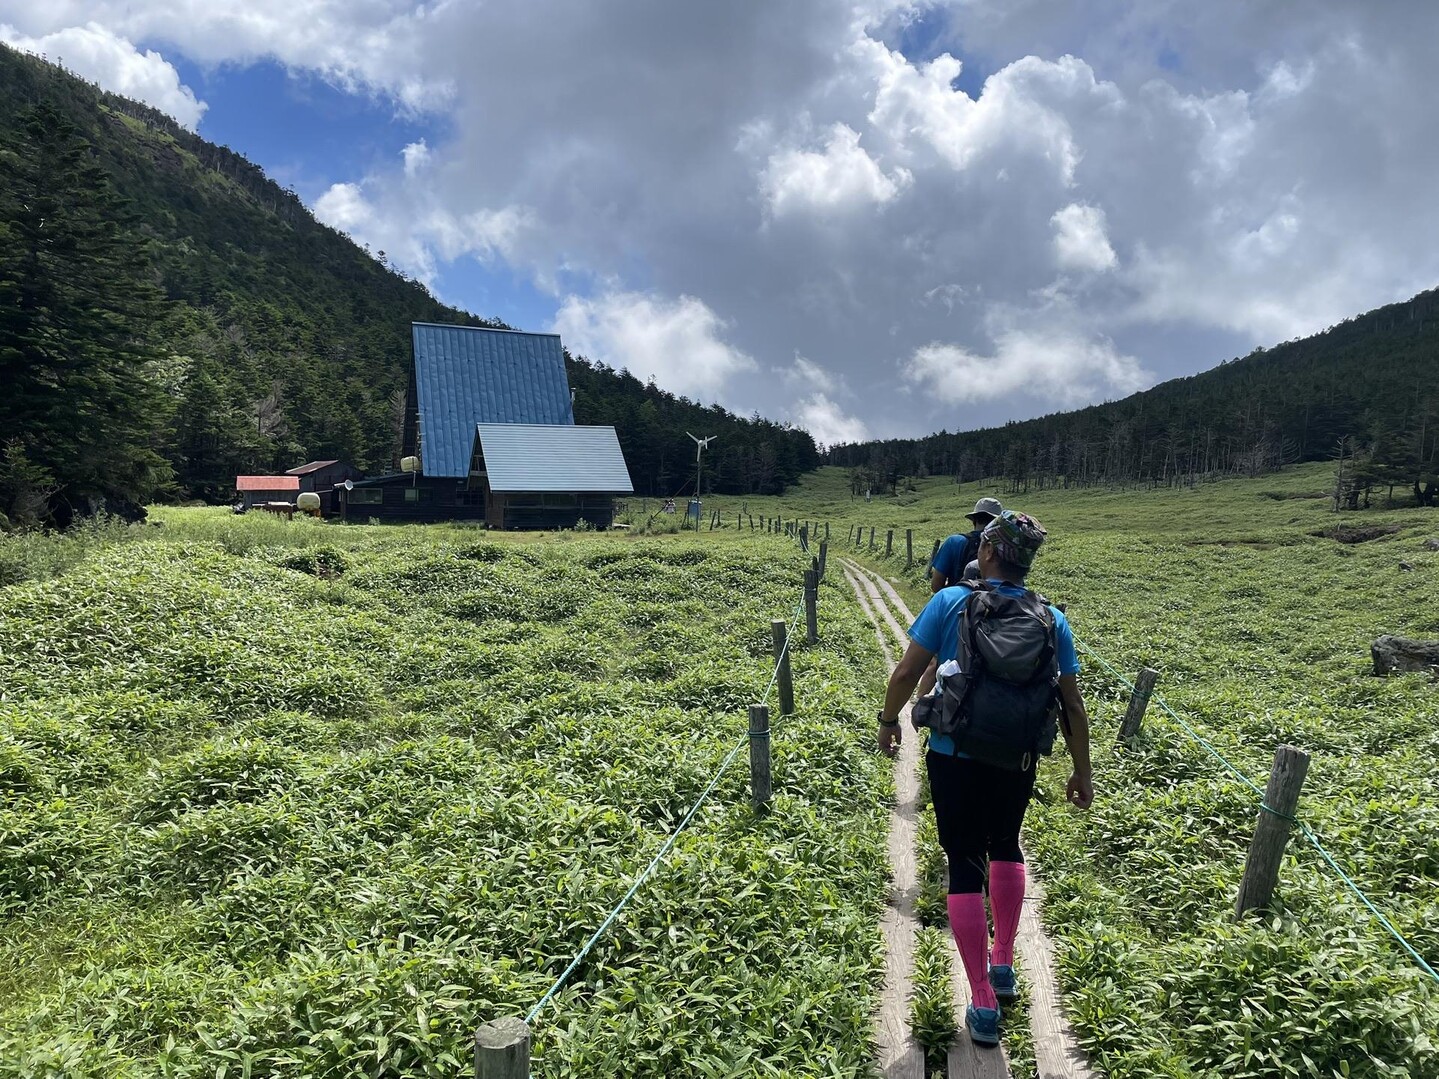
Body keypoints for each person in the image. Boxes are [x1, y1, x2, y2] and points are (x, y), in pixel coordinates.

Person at [876, 510, 1094, 1048]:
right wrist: (1081, 770)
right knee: (1006, 848)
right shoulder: (1052, 619)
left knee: (963, 862)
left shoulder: (951, 602)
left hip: (955, 752)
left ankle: (980, 997)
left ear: (990, 553)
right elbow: (1071, 704)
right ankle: (1004, 963)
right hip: (1017, 757)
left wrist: (888, 720)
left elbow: (907, 672)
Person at [930, 497, 1003, 593]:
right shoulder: (1005, 547)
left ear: (974, 520)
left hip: (959, 603)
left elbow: (936, 585)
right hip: (995, 604)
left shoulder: (954, 542)